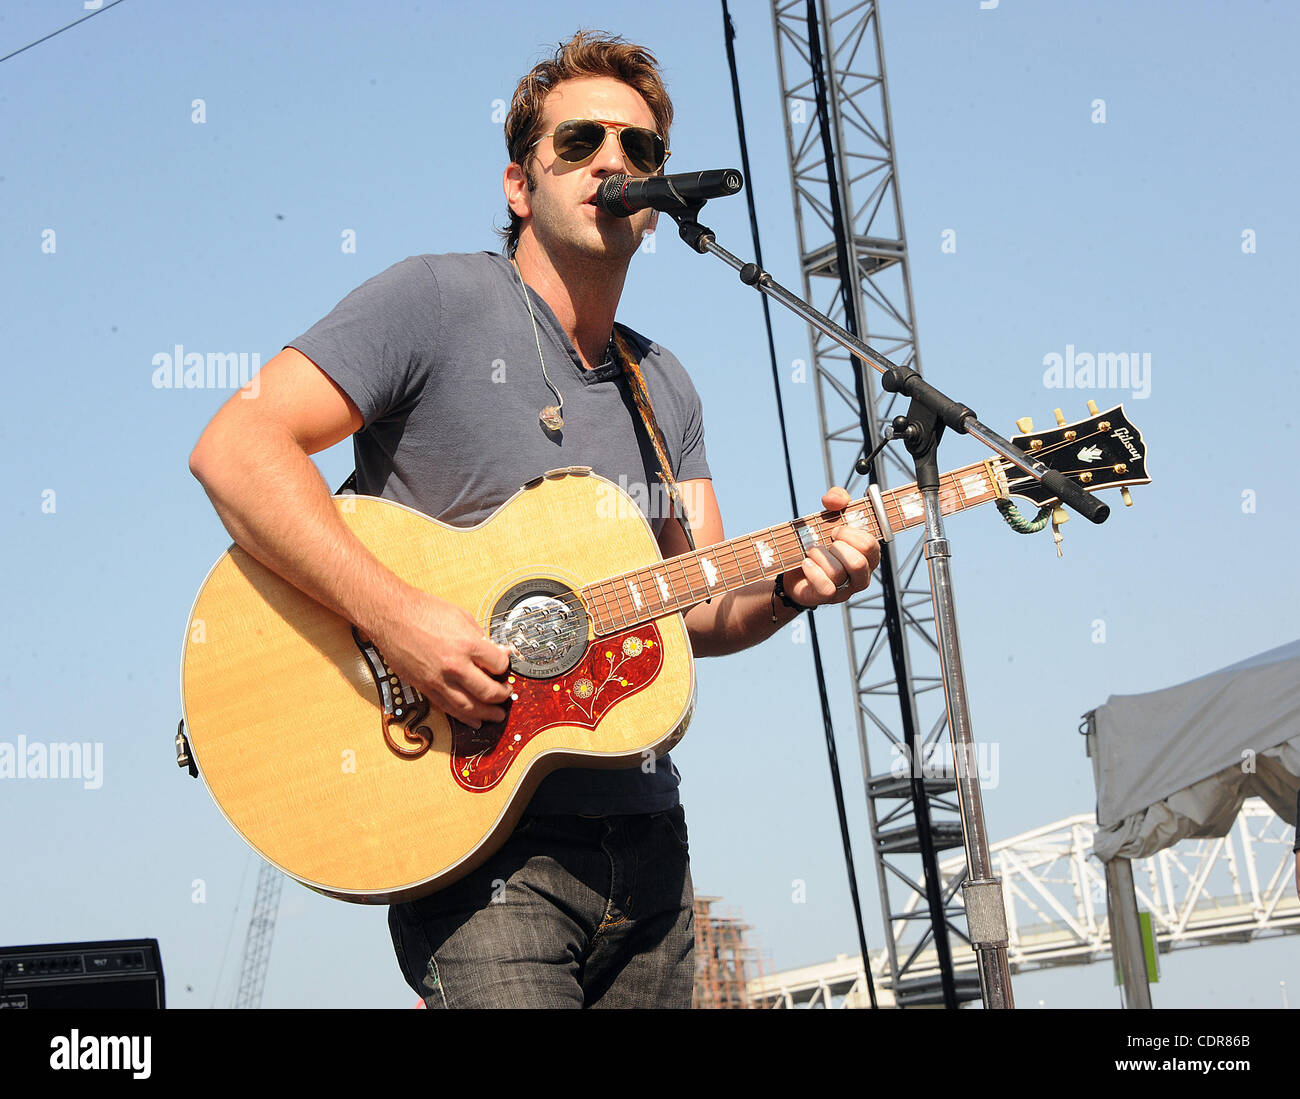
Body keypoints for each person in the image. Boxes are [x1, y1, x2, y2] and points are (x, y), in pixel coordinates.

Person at [188, 29, 879, 1008]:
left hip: (645, 844)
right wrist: (395, 617)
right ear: (521, 183)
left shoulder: (662, 384)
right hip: (473, 846)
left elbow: (696, 607)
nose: (613, 162)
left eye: (639, 150)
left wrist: (789, 585)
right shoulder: (434, 301)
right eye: (581, 141)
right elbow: (236, 450)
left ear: (655, 200)